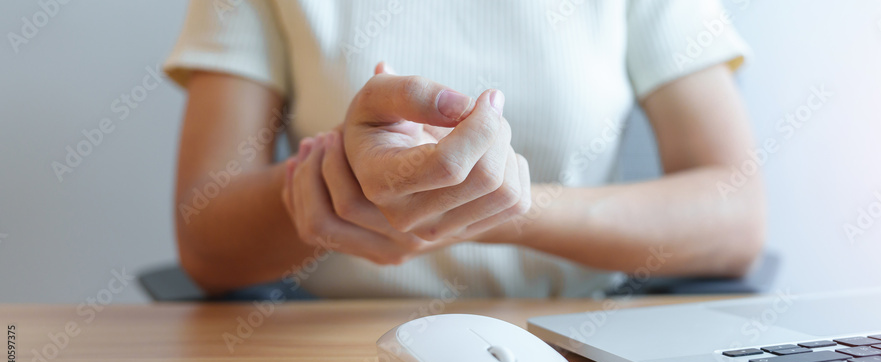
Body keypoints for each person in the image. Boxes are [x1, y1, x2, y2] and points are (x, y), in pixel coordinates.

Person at [164, 0, 766, 298]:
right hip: (327, 355)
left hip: (577, 355)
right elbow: (204, 232)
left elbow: (735, 215)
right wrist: (344, 177)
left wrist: (506, 206)